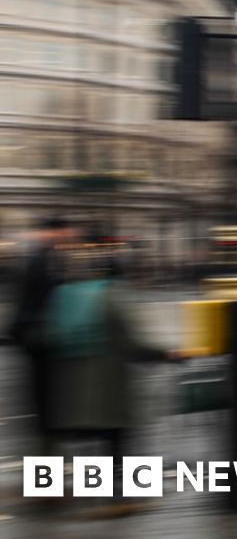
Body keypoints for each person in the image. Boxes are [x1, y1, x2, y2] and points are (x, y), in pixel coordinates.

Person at [44, 239, 179, 512]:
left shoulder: (69, 293)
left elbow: (51, 335)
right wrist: (167, 354)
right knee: (118, 439)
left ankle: (95, 495)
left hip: (75, 386)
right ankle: (120, 498)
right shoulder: (115, 295)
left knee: (94, 440)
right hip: (109, 385)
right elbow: (132, 343)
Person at [6, 216, 75, 454]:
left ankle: (46, 440)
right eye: (64, 232)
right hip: (39, 339)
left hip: (36, 337)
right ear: (51, 232)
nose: (69, 237)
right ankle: (45, 450)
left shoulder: (45, 258)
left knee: (44, 396)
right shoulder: (41, 260)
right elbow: (41, 300)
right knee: (43, 396)